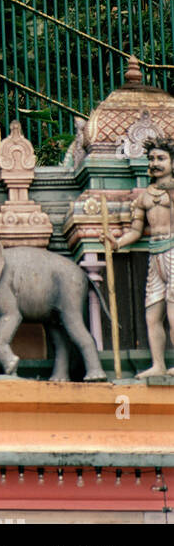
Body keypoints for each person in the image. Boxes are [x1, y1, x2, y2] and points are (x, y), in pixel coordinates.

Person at [105, 138, 174, 377]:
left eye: (161, 158)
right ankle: (158, 364)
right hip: (155, 255)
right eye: (152, 159)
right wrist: (117, 242)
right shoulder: (145, 196)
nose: (155, 163)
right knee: (152, 314)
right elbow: (135, 231)